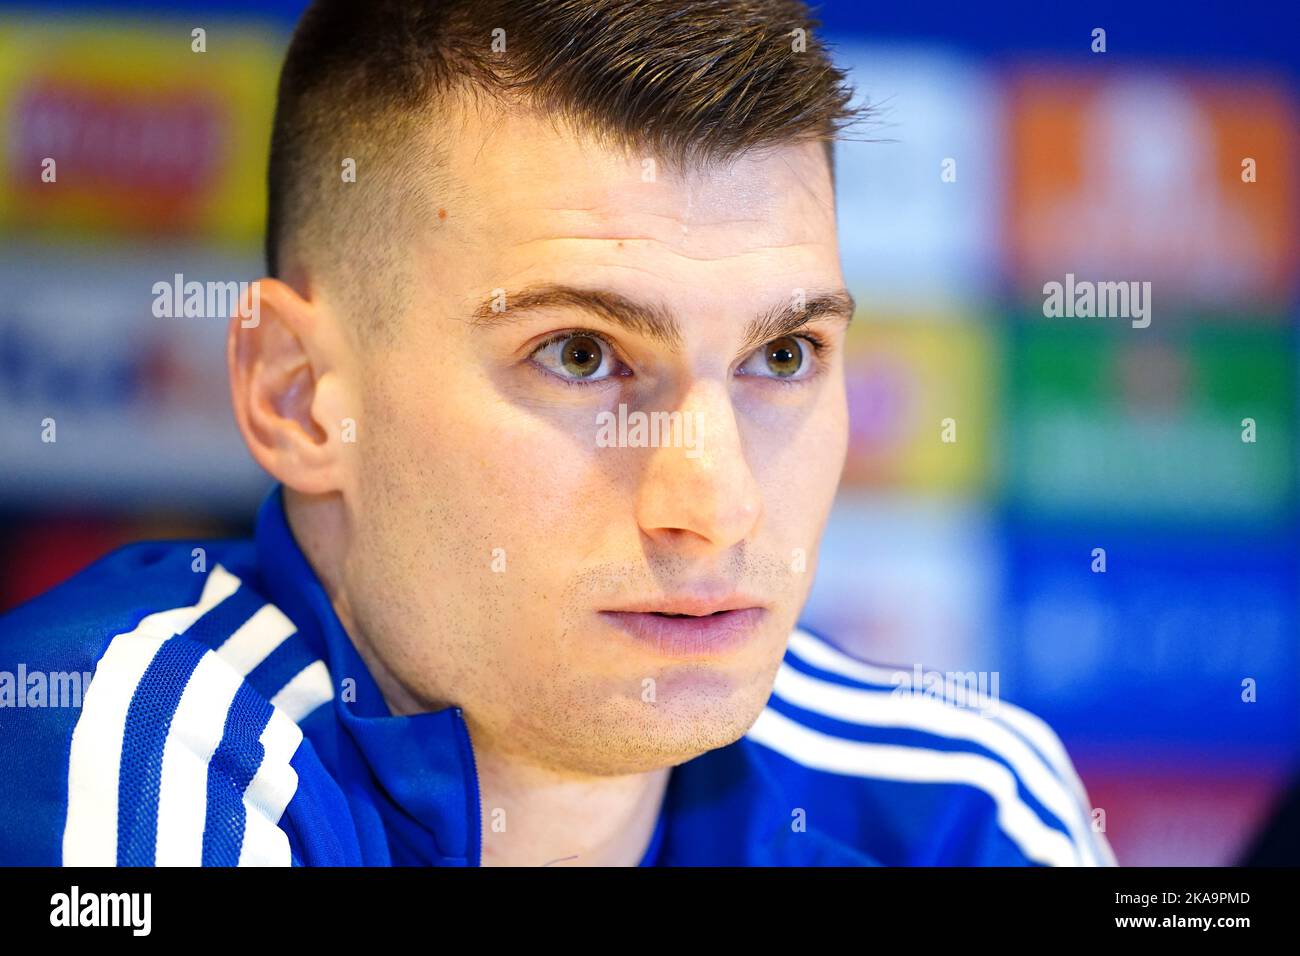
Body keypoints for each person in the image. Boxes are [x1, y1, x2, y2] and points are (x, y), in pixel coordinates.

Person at [0, 0, 1114, 867]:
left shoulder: (960, 810)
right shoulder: (124, 749)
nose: (716, 504)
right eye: (581, 355)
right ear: (297, 397)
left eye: (781, 358)